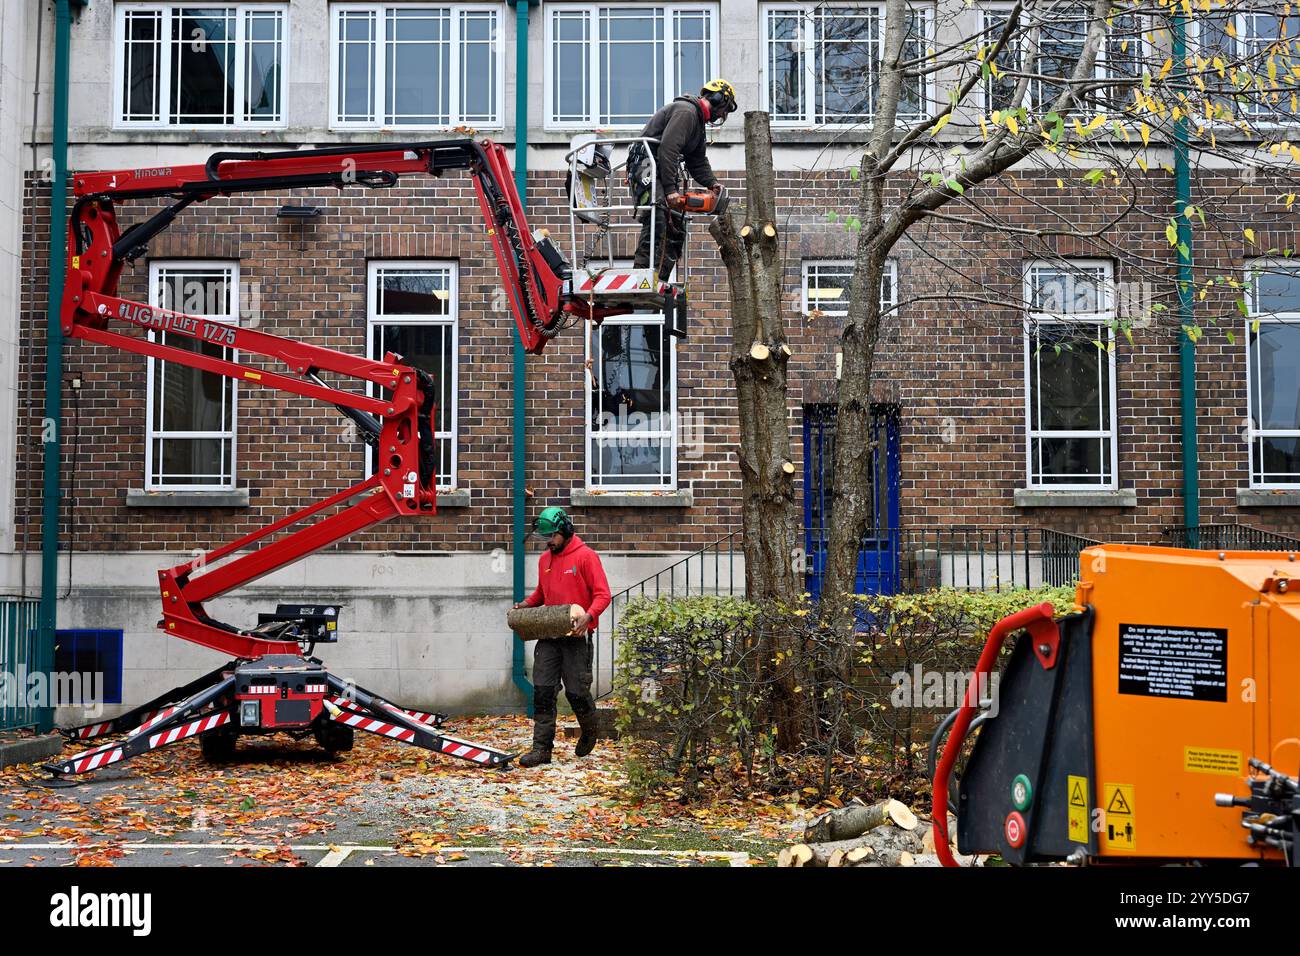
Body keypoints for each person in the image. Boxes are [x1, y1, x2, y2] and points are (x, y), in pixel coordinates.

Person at [512, 507, 611, 768]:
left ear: (566, 531)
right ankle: (541, 749)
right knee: (543, 692)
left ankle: (590, 730)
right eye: (545, 537)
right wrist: (525, 605)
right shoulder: (545, 560)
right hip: (549, 635)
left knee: (577, 692)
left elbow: (603, 595)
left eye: (552, 536)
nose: (548, 541)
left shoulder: (586, 557)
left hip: (576, 636)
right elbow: (542, 595)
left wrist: (588, 616)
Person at [629, 78, 739, 282]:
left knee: (677, 223)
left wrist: (712, 183)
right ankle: (641, 275)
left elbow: (697, 160)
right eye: (725, 109)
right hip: (645, 164)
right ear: (718, 100)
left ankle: (659, 278)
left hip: (660, 167)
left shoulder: (697, 122)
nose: (723, 115)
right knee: (659, 214)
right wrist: (671, 189)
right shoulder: (686, 112)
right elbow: (668, 149)